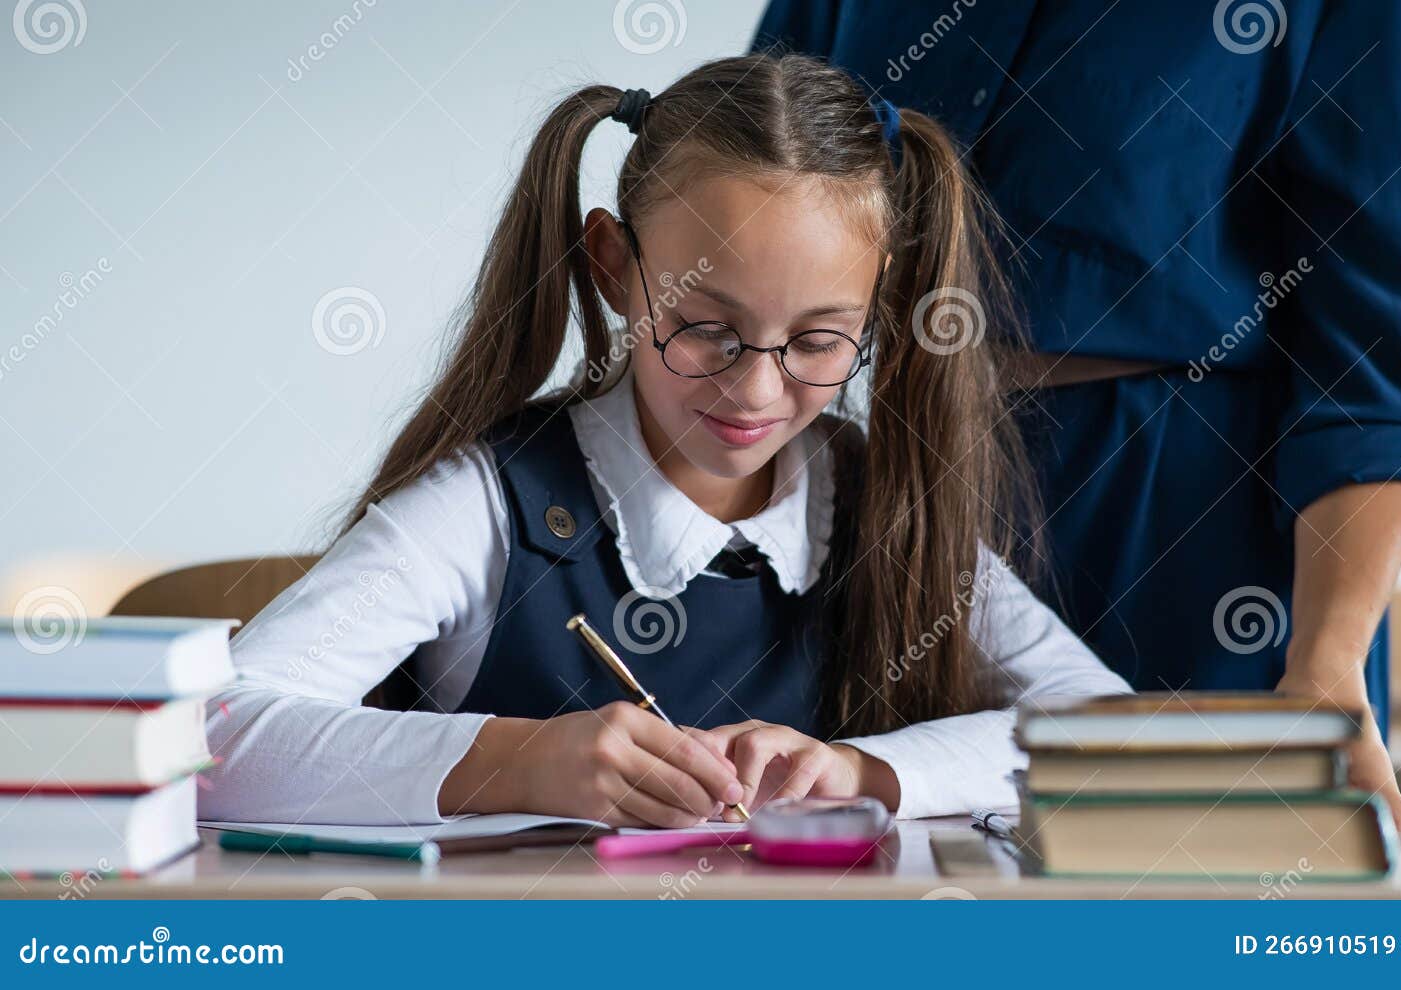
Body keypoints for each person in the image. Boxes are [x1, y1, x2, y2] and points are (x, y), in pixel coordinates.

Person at [198, 52, 1131, 828]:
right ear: (613, 266)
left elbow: (1112, 733)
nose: (756, 389)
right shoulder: (490, 504)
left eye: (817, 341)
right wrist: (519, 761)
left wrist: (865, 772)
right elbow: (208, 731)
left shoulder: (875, 497)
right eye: (707, 329)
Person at [754, 0, 1401, 838]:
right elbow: (754, 176)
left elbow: (1376, 351)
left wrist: (1324, 670)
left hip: (1202, 542)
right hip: (910, 500)